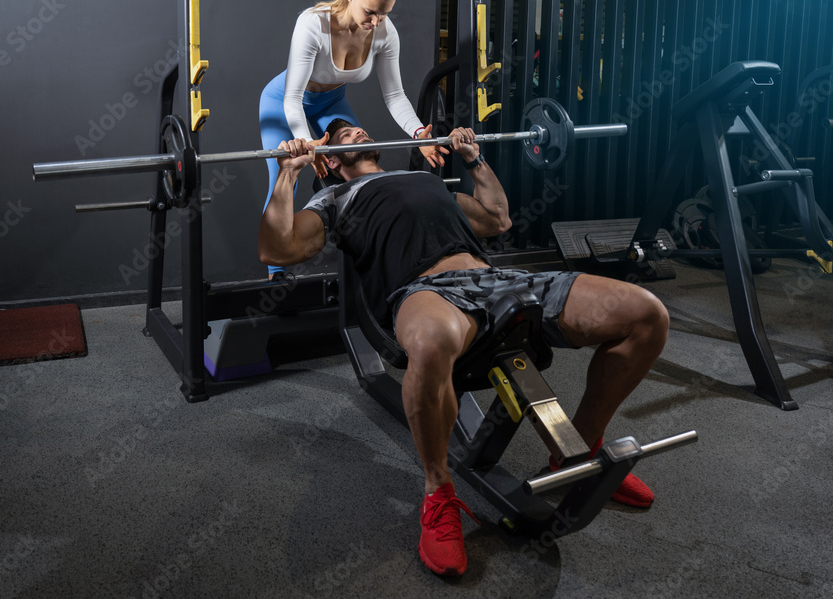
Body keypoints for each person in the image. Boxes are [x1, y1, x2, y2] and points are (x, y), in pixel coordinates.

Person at [258, 121, 670, 577]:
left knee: (646, 314)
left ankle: (582, 450)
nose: (359, 133)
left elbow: (497, 218)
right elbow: (278, 248)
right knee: (432, 344)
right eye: (346, 136)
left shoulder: (423, 180)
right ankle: (439, 491)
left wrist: (473, 158)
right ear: (329, 160)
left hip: (497, 280)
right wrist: (288, 174)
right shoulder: (334, 200)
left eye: (361, 129)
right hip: (427, 292)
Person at [258, 0, 445, 279]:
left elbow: (395, 95)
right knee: (285, 176)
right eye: (371, 12)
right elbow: (292, 98)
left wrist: (419, 134)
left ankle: (362, 267)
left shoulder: (386, 33)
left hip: (331, 103)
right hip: (283, 102)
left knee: (360, 176)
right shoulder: (313, 24)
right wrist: (306, 143)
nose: (376, 22)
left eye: (385, 14)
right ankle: (277, 273)